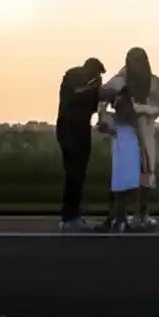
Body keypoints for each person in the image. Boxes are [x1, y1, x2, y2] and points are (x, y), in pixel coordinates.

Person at [96, 47, 159, 230]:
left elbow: (102, 96)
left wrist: (105, 116)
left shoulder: (128, 79)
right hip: (134, 130)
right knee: (138, 174)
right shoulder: (135, 80)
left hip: (132, 130)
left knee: (132, 175)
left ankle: (126, 216)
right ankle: (131, 216)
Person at [55, 57, 106, 230]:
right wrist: (92, 88)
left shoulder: (91, 83)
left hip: (82, 128)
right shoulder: (73, 76)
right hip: (69, 128)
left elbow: (93, 107)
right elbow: (73, 96)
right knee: (73, 173)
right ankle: (69, 217)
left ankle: (73, 214)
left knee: (80, 173)